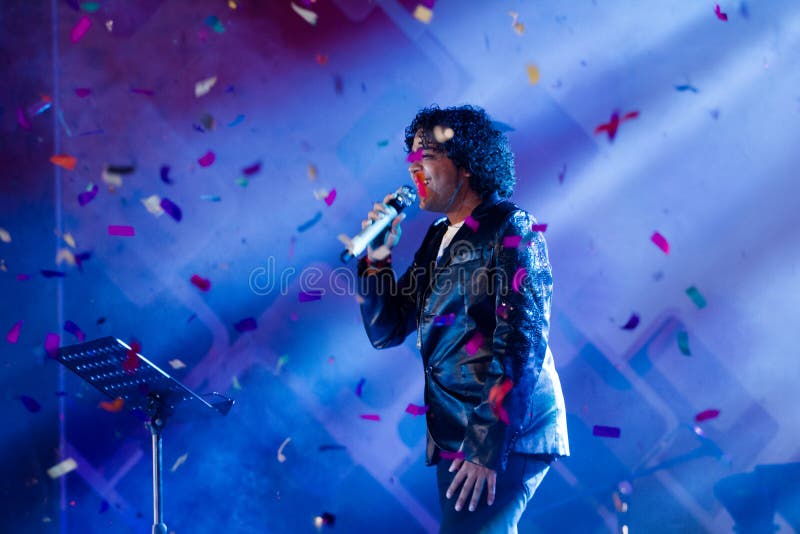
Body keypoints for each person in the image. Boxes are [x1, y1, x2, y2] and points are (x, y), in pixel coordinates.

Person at [357, 105, 569, 533]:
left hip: (502, 428)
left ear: (467, 163)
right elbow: (388, 329)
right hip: (459, 427)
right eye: (412, 157)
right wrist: (377, 258)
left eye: (428, 155)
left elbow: (522, 341)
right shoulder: (441, 235)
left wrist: (487, 446)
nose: (415, 167)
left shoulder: (511, 227)